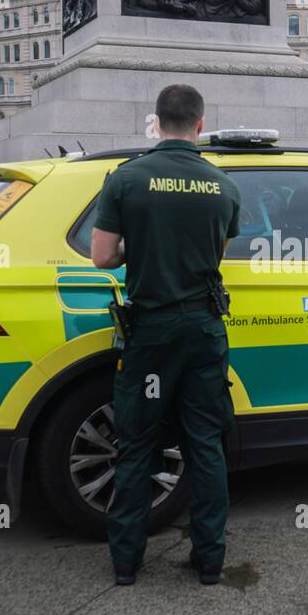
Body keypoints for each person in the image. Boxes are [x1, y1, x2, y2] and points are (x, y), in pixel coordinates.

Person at [89, 85, 241, 587]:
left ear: (157, 123)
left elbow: (102, 257)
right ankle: (210, 562)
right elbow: (211, 251)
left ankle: (126, 564)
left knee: (135, 444)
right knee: (206, 443)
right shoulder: (223, 185)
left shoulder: (126, 179)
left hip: (150, 332)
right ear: (200, 125)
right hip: (202, 330)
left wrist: (144, 244)